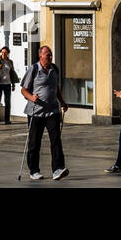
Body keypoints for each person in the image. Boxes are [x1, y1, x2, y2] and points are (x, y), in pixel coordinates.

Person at [21, 45, 69, 180]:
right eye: (47, 55)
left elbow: (56, 87)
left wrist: (63, 102)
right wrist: (31, 97)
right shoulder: (34, 69)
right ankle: (34, 170)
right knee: (34, 142)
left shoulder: (55, 69)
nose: (50, 57)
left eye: (51, 54)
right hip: (36, 111)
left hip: (52, 110)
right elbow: (24, 89)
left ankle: (58, 169)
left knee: (56, 140)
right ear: (40, 56)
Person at [0, 47, 19, 124]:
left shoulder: (10, 62)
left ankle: (7, 119)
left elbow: (11, 73)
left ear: (8, 53)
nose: (3, 54)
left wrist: (13, 84)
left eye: (5, 52)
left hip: (7, 84)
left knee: (8, 102)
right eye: (2, 52)